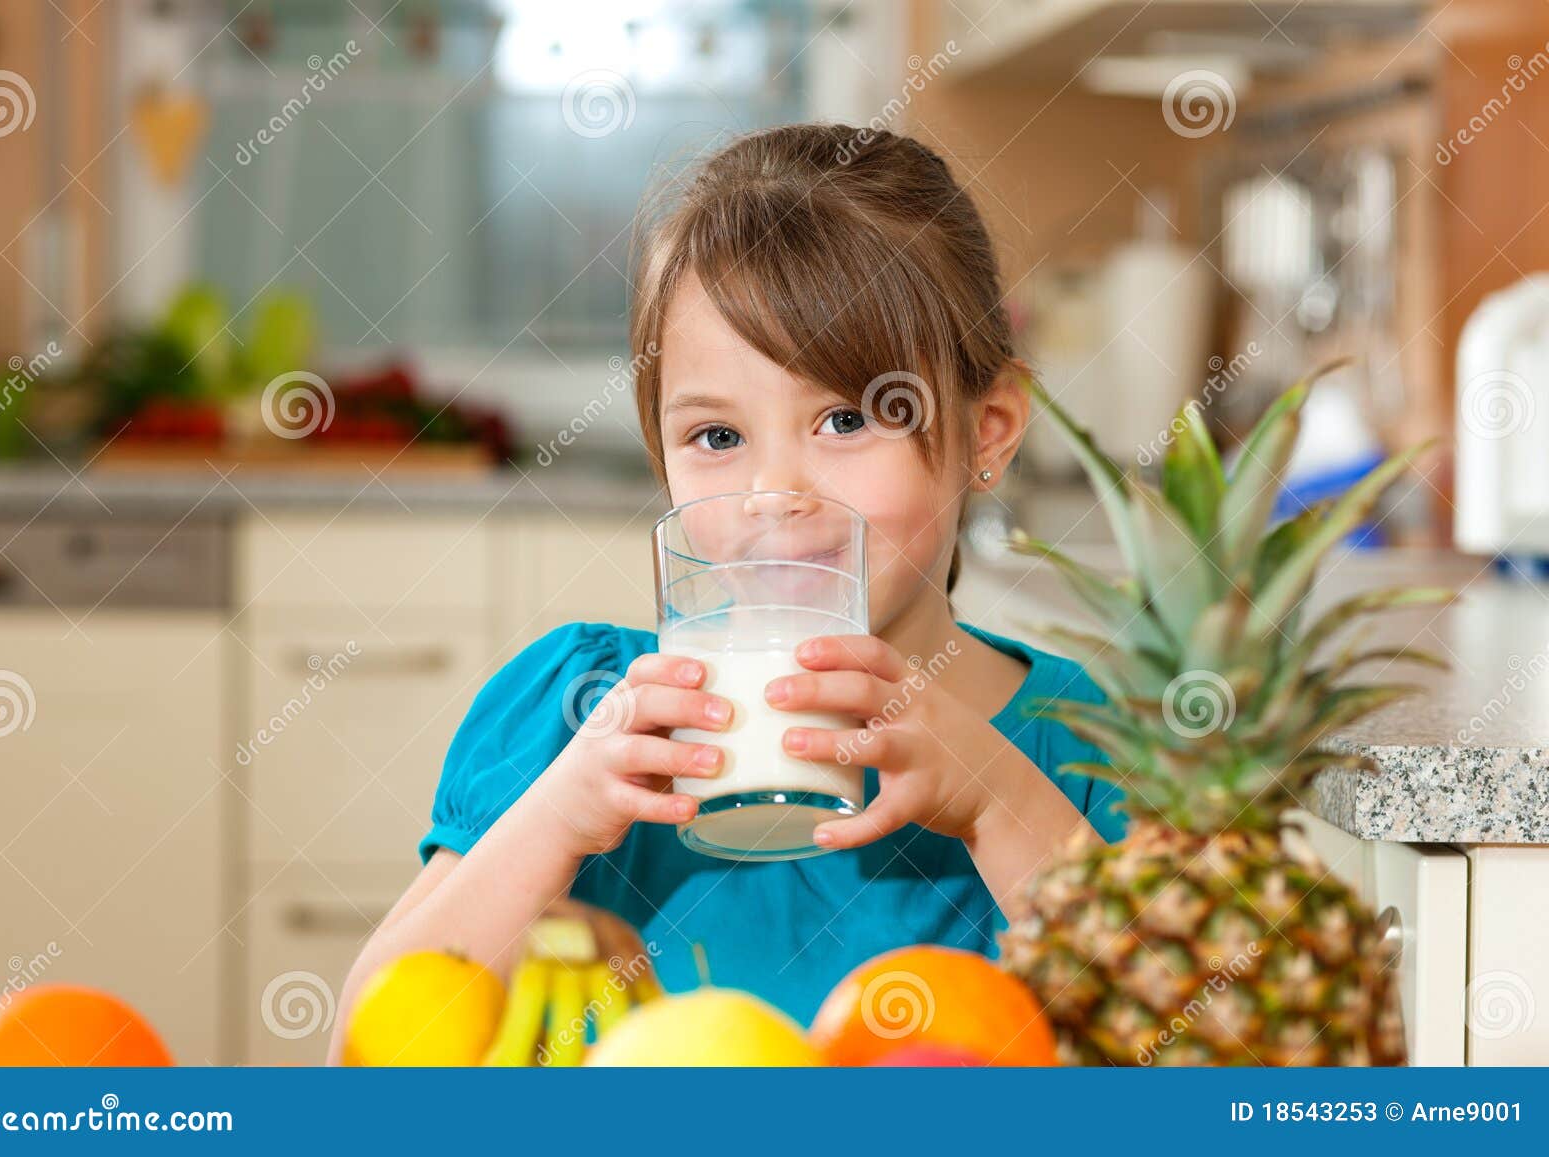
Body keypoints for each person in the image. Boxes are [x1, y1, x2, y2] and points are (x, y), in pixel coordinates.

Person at [329, 124, 1127, 1060]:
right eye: (717, 437)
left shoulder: (1085, 746)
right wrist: (557, 819)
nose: (774, 496)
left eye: (843, 418)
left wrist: (1000, 802)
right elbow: (361, 1058)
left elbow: (1180, 1067)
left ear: (989, 432)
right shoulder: (574, 713)